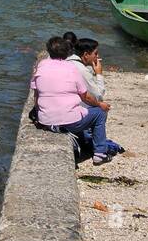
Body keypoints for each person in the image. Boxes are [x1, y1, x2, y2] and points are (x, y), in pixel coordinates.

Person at [31, 35, 111, 165]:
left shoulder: (42, 65)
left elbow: (36, 94)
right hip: (68, 122)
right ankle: (100, 153)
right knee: (99, 113)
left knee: (79, 109)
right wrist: (99, 104)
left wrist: (39, 114)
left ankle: (82, 141)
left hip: (46, 120)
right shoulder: (71, 68)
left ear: (49, 50)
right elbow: (85, 96)